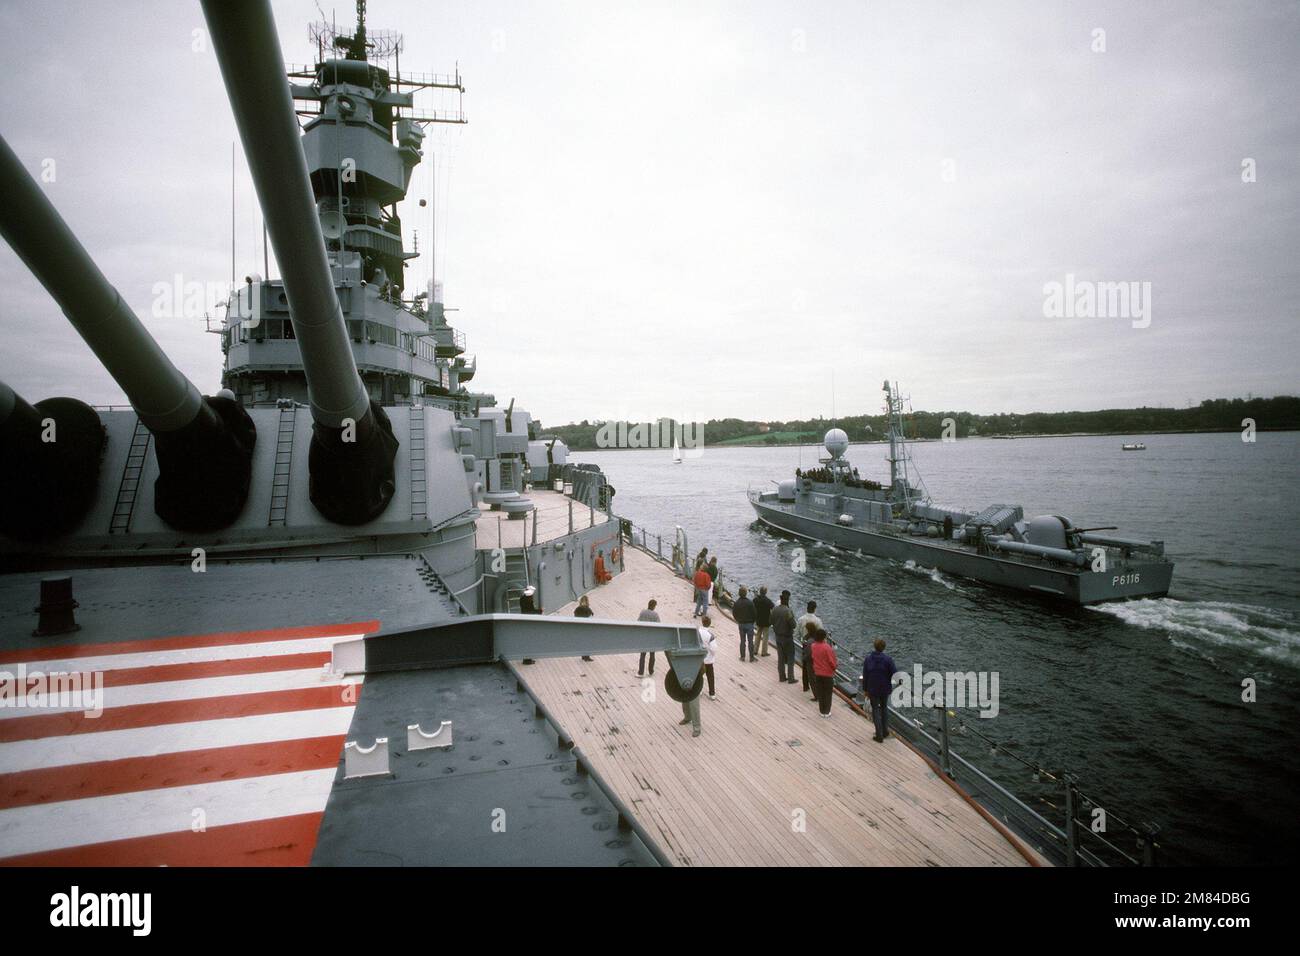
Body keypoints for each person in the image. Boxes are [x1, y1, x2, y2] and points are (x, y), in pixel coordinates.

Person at [862, 638, 899, 742]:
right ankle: (885, 731)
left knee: (875, 710)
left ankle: (879, 735)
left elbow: (866, 675)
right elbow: (895, 674)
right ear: (884, 647)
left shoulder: (868, 659)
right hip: (884, 688)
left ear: (874, 646)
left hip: (872, 688)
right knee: (884, 708)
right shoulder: (888, 659)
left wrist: (865, 689)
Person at [796, 601, 824, 696]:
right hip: (816, 646)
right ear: (814, 608)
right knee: (815, 666)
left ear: (806, 608)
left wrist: (802, 641)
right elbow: (821, 635)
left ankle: (805, 685)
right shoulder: (818, 621)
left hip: (805, 644)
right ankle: (816, 688)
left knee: (805, 665)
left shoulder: (800, 619)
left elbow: (796, 634)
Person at [810, 628, 838, 717]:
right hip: (827, 674)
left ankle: (822, 711)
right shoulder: (827, 648)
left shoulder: (813, 646)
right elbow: (832, 661)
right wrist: (835, 668)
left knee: (821, 692)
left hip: (818, 673)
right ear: (824, 637)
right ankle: (827, 711)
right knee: (828, 693)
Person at [771, 590, 797, 683]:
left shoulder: (774, 609)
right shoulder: (788, 611)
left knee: (780, 658)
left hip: (778, 637)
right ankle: (791, 678)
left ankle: (782, 677)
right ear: (787, 600)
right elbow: (793, 625)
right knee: (790, 657)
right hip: (787, 637)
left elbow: (771, 621)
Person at [732, 586, 756, 662]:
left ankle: (742, 657)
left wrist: (738, 620)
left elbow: (734, 613)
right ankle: (751, 657)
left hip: (741, 624)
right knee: (750, 641)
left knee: (742, 641)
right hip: (749, 624)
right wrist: (752, 621)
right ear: (746, 593)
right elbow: (755, 614)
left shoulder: (737, 603)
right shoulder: (750, 603)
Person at [519, 585, 542, 665]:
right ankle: (527, 660)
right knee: (529, 640)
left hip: (524, 620)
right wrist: (540, 611)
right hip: (528, 621)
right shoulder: (529, 601)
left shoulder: (522, 598)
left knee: (526, 640)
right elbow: (531, 611)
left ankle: (527, 658)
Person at [637, 598, 660, 677]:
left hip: (644, 636)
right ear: (653, 606)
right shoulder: (655, 615)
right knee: (652, 655)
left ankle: (641, 672)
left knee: (642, 655)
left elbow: (638, 622)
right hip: (652, 637)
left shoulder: (643, 612)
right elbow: (659, 625)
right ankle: (651, 671)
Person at [698, 614, 717, 700]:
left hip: (699, 659)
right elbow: (713, 649)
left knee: (699, 675)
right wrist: (712, 654)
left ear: (702, 623)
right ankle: (712, 693)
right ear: (709, 624)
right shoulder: (710, 635)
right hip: (708, 660)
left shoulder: (697, 632)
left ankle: (699, 690)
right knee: (710, 676)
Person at [753, 586, 774, 658]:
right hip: (766, 621)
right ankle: (764, 652)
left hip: (758, 620)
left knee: (757, 635)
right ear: (766, 592)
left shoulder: (755, 600)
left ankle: (755, 650)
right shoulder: (768, 601)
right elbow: (773, 608)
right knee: (765, 637)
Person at [574, 595, 595, 661]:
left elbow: (575, 617)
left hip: (579, 628)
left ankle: (583, 656)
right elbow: (590, 618)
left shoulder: (577, 609)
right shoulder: (588, 609)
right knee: (588, 643)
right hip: (586, 628)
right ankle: (586, 657)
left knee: (582, 642)